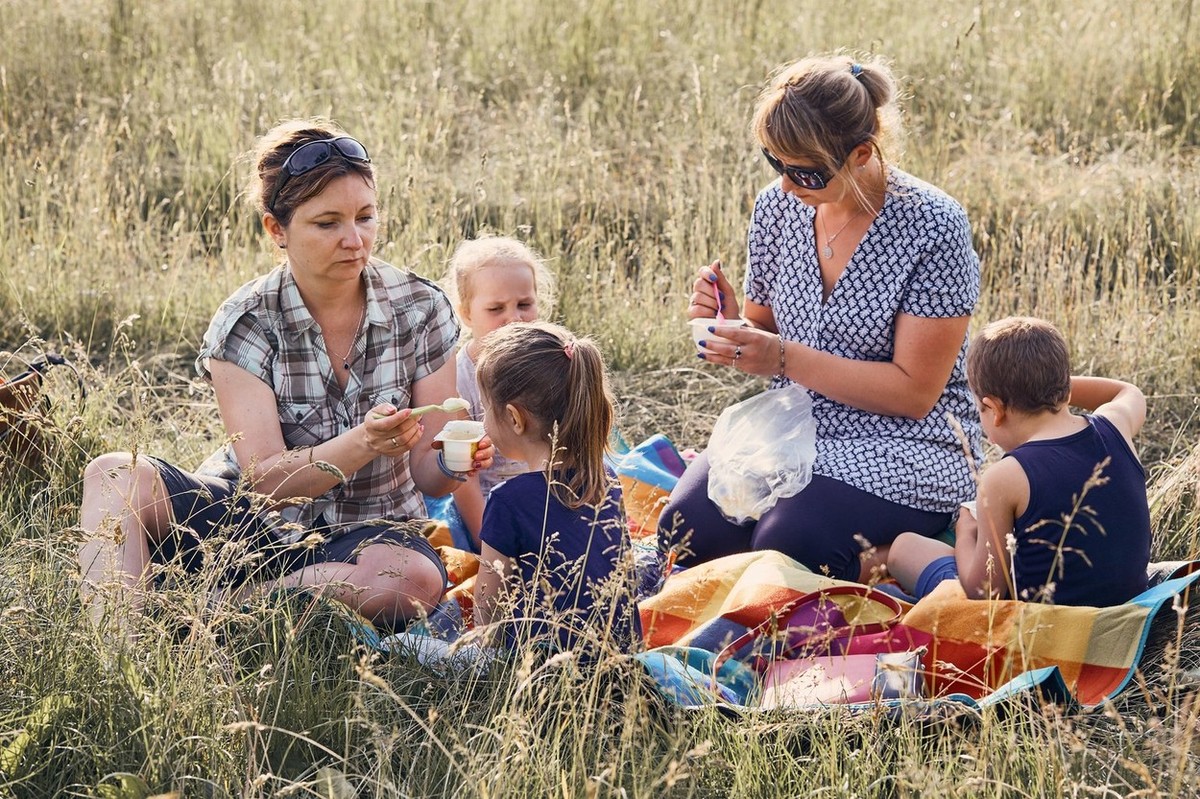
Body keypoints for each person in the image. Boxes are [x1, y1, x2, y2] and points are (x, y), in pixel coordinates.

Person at [77, 118, 493, 633]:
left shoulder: (419, 306)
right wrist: (364, 441)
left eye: (365, 217)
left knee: (410, 581)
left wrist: (456, 463)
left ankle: (207, 613)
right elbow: (268, 482)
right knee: (113, 474)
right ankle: (119, 654)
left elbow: (428, 475)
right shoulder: (247, 321)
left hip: (372, 534)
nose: (354, 239)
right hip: (249, 527)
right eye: (327, 223)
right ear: (277, 229)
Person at [659, 53, 983, 583]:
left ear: (861, 153)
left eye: (804, 171)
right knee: (685, 531)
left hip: (911, 442)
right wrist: (734, 326)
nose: (787, 184)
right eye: (775, 163)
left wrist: (783, 355)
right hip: (795, 422)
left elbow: (914, 394)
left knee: (788, 543)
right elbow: (767, 332)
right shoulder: (779, 208)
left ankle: (899, 561)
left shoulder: (933, 227)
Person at [886, 317, 1151, 606]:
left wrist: (966, 532)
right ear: (1064, 387)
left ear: (993, 409)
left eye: (981, 410)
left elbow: (984, 591)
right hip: (1125, 607)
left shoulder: (1005, 477)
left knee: (904, 549)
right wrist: (1046, 385)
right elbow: (1127, 391)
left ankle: (913, 602)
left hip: (1045, 627)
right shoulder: (1116, 425)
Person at [471, 322, 641, 654]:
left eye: (484, 409)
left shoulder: (508, 501)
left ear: (515, 419)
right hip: (621, 660)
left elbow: (486, 610)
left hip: (539, 667)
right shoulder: (606, 481)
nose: (482, 420)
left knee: (404, 645)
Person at [425, 234, 557, 553]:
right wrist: (487, 539)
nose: (514, 318)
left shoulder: (549, 362)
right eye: (496, 308)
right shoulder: (458, 378)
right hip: (487, 502)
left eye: (524, 304)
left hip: (547, 489)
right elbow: (464, 477)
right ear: (467, 314)